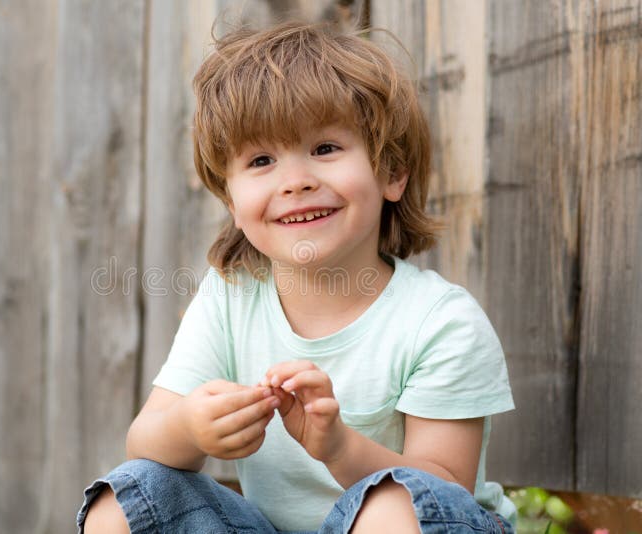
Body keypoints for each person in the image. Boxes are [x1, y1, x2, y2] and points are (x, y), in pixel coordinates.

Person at [78, 20, 515, 533]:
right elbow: (144, 439)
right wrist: (190, 429)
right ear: (232, 201)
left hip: (423, 522)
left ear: (392, 172)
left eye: (325, 148)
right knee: (127, 501)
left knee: (393, 505)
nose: (295, 182)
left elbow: (443, 489)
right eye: (262, 160)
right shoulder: (230, 300)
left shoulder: (439, 321)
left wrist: (340, 448)